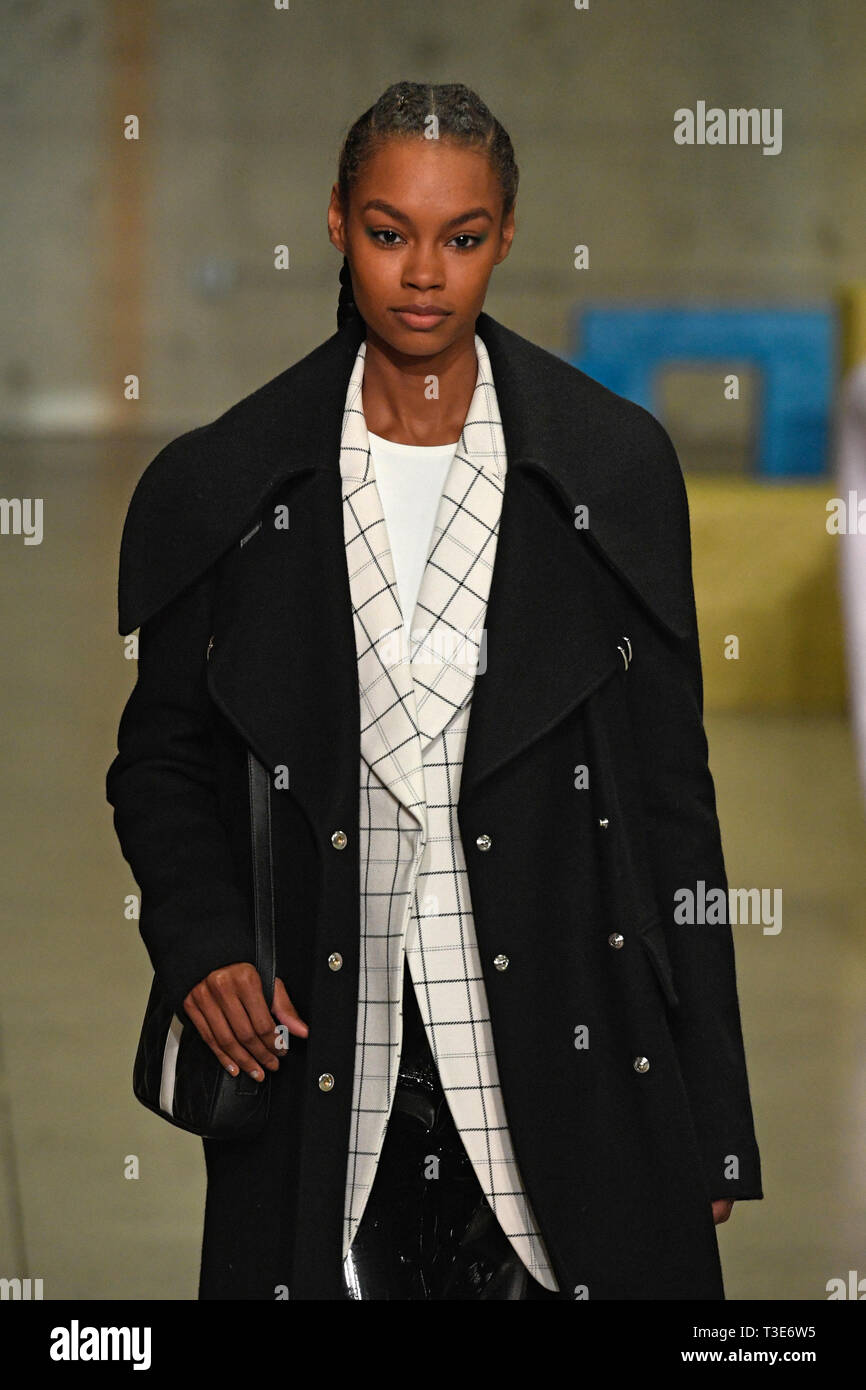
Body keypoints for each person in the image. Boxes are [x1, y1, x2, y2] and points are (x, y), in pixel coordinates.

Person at [106, 80, 762, 1301]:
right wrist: (198, 940)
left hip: (568, 1032)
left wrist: (713, 1107)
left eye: (460, 238)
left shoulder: (607, 469)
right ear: (337, 224)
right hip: (323, 1049)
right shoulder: (230, 484)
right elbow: (159, 760)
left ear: (505, 235)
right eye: (387, 230)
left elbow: (675, 801)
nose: (422, 273)